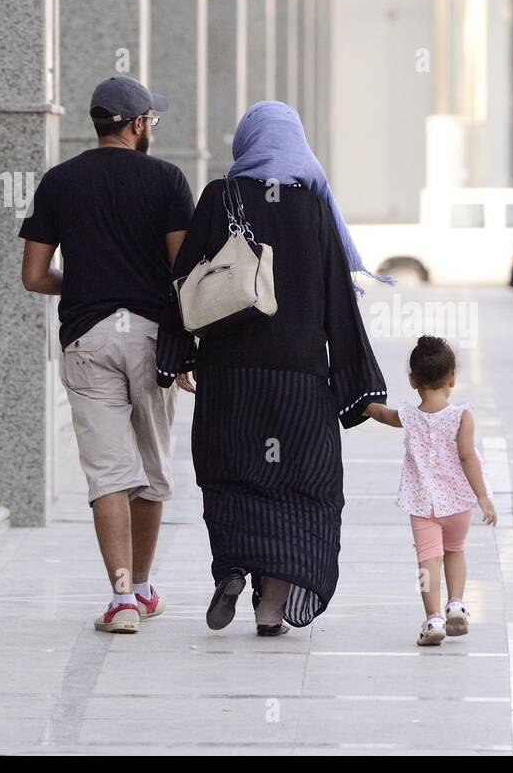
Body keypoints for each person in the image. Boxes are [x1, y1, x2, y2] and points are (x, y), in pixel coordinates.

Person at [157, 100, 387, 636]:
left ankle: (234, 569)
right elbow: (338, 301)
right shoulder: (311, 206)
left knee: (232, 479)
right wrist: (358, 385)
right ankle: (269, 612)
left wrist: (177, 355)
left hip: (229, 379)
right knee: (304, 492)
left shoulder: (220, 196)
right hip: (301, 383)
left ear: (246, 144)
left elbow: (185, 281)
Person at [20, 75, 193, 634]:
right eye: (152, 122)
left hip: (87, 338)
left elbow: (34, 275)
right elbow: (183, 274)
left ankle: (119, 600)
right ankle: (143, 588)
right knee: (150, 465)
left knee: (107, 473)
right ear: (138, 124)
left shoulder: (59, 181)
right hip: (150, 335)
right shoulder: (167, 179)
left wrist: (82, 285)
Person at [365, 336, 497, 646]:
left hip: (423, 504)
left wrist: (362, 402)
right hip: (458, 504)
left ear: (413, 381)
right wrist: (483, 497)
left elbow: (383, 414)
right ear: (452, 377)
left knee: (428, 562)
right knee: (455, 551)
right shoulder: (462, 416)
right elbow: (467, 457)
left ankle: (434, 619)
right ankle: (456, 604)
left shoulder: (409, 416)